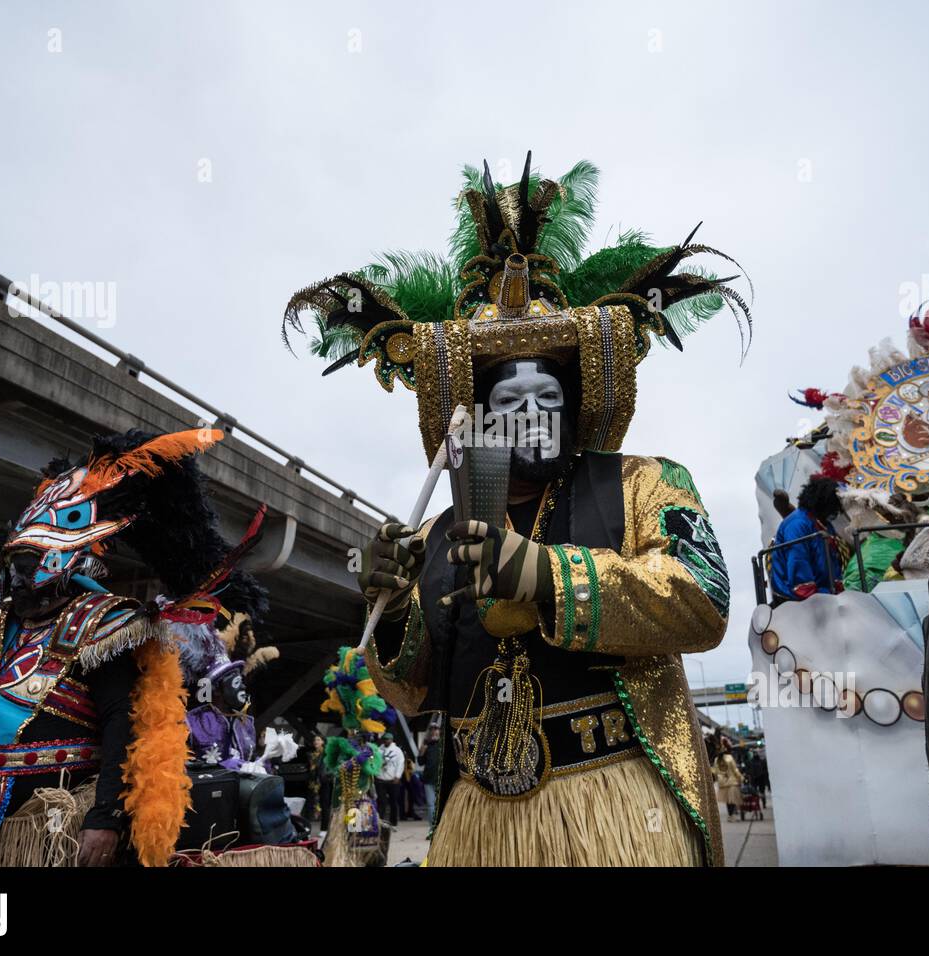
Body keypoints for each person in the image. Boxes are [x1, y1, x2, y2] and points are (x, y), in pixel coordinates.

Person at [287, 154, 747, 866]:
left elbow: (703, 601)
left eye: (547, 399)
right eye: (509, 402)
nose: (530, 413)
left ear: (576, 408)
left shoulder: (645, 483)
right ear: (477, 416)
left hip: (613, 811)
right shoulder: (438, 530)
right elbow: (410, 696)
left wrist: (541, 575)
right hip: (476, 822)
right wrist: (388, 601)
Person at [0, 428, 266, 867]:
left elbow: (122, 725)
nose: (18, 577)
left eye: (30, 564)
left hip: (40, 831)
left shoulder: (103, 625)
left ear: (66, 560)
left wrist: (105, 818)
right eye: (14, 564)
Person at [769, 476, 844, 604]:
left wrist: (838, 592)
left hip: (824, 594)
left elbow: (834, 562)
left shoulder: (825, 524)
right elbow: (798, 562)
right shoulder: (797, 523)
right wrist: (816, 596)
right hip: (795, 598)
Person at [375, 732, 405, 827]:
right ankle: (381, 821)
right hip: (381, 780)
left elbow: (401, 763)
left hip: (393, 780)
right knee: (381, 801)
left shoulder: (397, 751)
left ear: (392, 740)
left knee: (393, 801)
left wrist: (398, 776)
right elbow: (375, 762)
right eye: (385, 739)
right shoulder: (379, 750)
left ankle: (393, 821)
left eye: (388, 739)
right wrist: (376, 773)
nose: (386, 741)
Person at [713, 739, 744, 822]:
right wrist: (741, 778)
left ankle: (730, 815)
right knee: (732, 800)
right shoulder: (729, 758)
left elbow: (715, 772)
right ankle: (732, 816)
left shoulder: (716, 760)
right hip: (732, 782)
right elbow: (735, 770)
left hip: (722, 783)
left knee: (727, 801)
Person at [417, 725, 441, 826]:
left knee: (440, 804)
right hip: (428, 780)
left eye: (436, 732)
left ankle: (440, 826)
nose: (434, 734)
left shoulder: (442, 745)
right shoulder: (426, 745)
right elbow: (420, 762)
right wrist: (422, 751)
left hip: (440, 779)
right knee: (431, 805)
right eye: (432, 732)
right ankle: (432, 827)